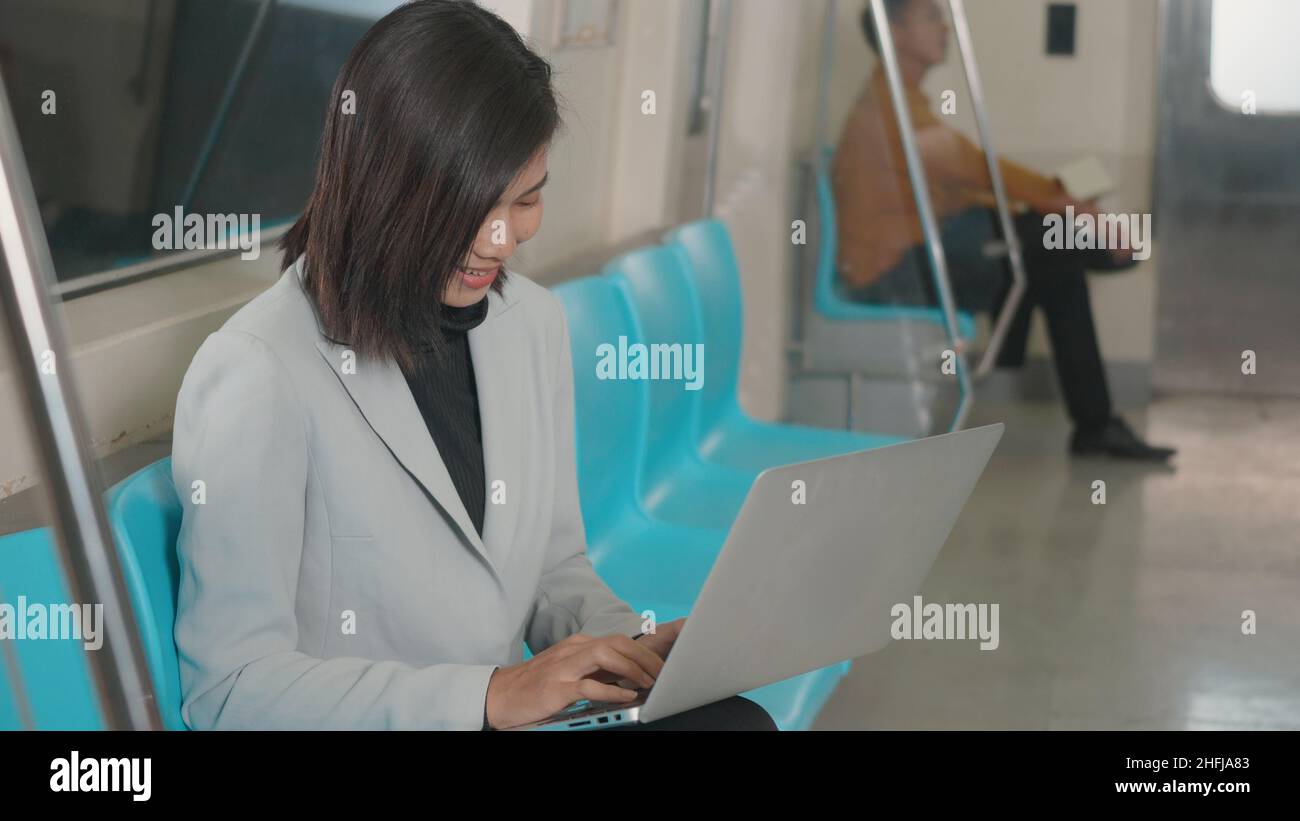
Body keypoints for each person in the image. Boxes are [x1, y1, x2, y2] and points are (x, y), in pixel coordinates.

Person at [170, 0, 774, 731]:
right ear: (387, 190)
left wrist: (626, 647)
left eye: (526, 200)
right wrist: (488, 694)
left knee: (732, 719)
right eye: (470, 205)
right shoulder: (258, 370)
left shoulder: (532, 326)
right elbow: (230, 690)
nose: (500, 239)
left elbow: (552, 569)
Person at [833, 0, 1175, 461]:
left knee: (1054, 260)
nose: (945, 27)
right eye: (930, 17)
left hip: (926, 249)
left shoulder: (901, 100)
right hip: (896, 274)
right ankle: (1087, 413)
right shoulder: (892, 109)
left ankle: (1089, 418)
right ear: (895, 33)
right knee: (1052, 245)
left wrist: (1059, 203)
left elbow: (959, 185)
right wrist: (1068, 204)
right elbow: (972, 167)